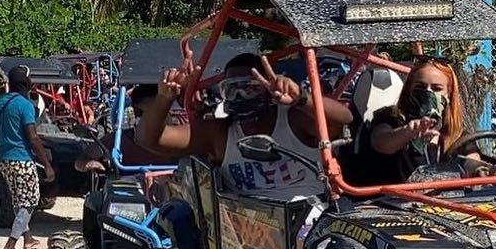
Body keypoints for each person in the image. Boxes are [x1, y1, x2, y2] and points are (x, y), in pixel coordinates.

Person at [135, 51, 353, 200]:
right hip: (246, 233)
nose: (240, 96)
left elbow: (343, 119)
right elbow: (150, 139)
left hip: (307, 217)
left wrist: (302, 98)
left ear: (268, 87)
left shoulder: (295, 120)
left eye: (248, 88)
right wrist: (164, 98)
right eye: (231, 89)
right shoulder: (219, 133)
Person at [353, 55, 475, 185]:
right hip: (391, 201)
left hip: (445, 203)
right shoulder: (392, 118)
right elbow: (381, 141)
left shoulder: (457, 136)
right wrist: (407, 132)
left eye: (436, 89)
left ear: (448, 95)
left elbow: (473, 163)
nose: (427, 93)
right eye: (420, 87)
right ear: (409, 90)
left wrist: (480, 169)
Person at [0, 65, 55, 249]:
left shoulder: (0, 103)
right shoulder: (25, 105)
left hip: (4, 158)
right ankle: (10, 246)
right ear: (26, 83)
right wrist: (47, 164)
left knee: (18, 198)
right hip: (21, 159)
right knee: (29, 201)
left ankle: (28, 238)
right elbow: (33, 137)